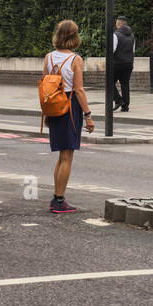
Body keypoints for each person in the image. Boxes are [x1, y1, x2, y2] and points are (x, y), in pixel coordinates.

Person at [44, 19, 94, 213]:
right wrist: (88, 115)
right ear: (74, 36)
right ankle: (58, 200)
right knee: (67, 156)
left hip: (53, 104)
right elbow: (79, 90)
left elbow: (45, 86)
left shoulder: (48, 57)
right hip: (69, 105)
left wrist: (46, 112)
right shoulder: (75, 60)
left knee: (61, 155)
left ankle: (56, 197)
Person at [112, 15, 135, 112]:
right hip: (129, 63)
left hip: (117, 63)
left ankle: (118, 100)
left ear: (118, 24)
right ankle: (125, 106)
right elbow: (133, 50)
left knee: (109, 82)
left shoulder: (115, 35)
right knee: (125, 84)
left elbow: (112, 50)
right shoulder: (132, 35)